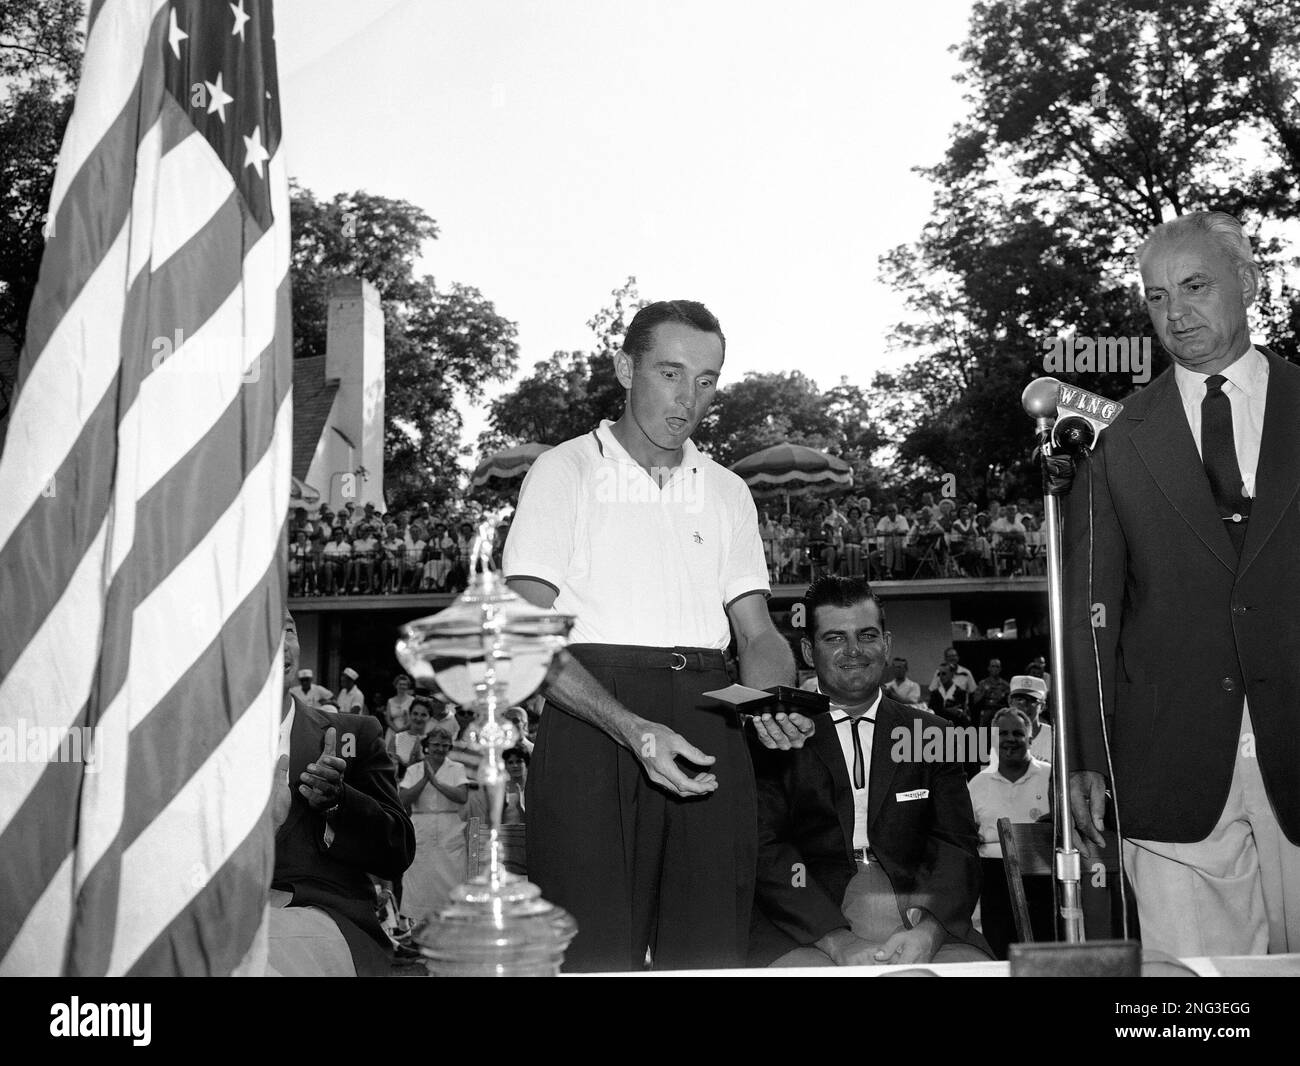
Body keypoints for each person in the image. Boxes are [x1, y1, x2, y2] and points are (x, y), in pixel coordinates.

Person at [502, 299, 810, 972]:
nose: (689, 397)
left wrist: (771, 699)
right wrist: (632, 728)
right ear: (624, 368)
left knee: (709, 953)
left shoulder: (729, 491)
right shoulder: (565, 471)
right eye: (671, 373)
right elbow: (524, 630)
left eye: (706, 380)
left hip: (709, 713)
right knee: (595, 957)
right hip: (591, 718)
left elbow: (758, 636)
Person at [1064, 210, 1300, 957]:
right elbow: (1088, 617)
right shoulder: (1115, 440)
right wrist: (1087, 759)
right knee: (1198, 1007)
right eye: (1156, 296)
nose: (1175, 313)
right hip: (1168, 767)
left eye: (1194, 285)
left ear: (1249, 283)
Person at [750, 577, 991, 967]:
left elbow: (957, 845)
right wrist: (835, 941)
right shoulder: (777, 733)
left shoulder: (934, 733)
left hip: (921, 909)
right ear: (809, 651)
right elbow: (767, 850)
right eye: (834, 638)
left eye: (866, 635)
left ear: (887, 644)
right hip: (807, 915)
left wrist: (928, 932)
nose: (853, 651)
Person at [270, 612, 415, 976]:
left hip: (321, 920)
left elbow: (397, 850)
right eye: (261, 627)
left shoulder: (353, 734)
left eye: (288, 629)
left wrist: (338, 802)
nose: (281, 643)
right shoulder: (197, 749)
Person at [967, 708, 1053, 957]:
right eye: (1002, 733)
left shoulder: (1050, 777)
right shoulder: (978, 783)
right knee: (1000, 951)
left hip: (1043, 880)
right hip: (995, 880)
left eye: (1017, 733)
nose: (1010, 739)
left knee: (1045, 954)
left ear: (1031, 738)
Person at [398, 727, 470, 923]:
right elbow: (403, 799)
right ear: (427, 746)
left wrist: (436, 783)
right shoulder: (414, 770)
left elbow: (462, 796)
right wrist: (424, 780)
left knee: (452, 875)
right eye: (435, 745)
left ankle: (452, 923)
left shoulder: (456, 768)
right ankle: (419, 927)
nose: (440, 749)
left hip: (449, 826)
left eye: (445, 746)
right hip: (421, 824)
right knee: (420, 877)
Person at [874, 503, 909, 578]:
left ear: (897, 511)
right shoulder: (883, 520)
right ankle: (897, 569)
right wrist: (890, 533)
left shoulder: (902, 519)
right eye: (889, 511)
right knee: (891, 541)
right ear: (886, 512)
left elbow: (905, 531)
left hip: (901, 544)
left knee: (893, 541)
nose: (892, 513)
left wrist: (892, 533)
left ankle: (888, 568)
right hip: (887, 546)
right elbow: (878, 532)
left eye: (894, 510)